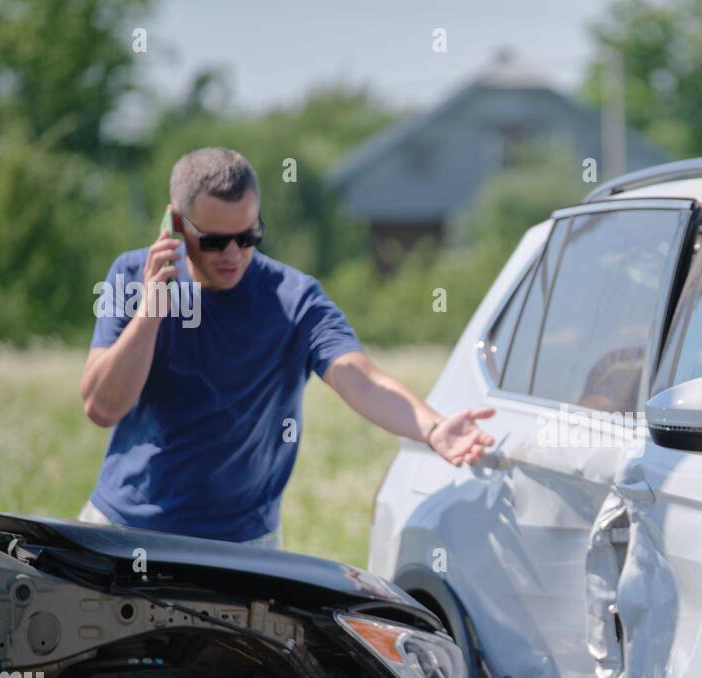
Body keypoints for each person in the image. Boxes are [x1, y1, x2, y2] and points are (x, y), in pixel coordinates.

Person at [78, 147, 494, 548]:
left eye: (249, 235)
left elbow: (360, 379)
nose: (234, 254)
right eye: (215, 241)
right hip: (124, 529)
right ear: (175, 224)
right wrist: (151, 309)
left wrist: (433, 428)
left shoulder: (293, 299)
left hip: (243, 545)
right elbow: (102, 407)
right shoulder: (132, 275)